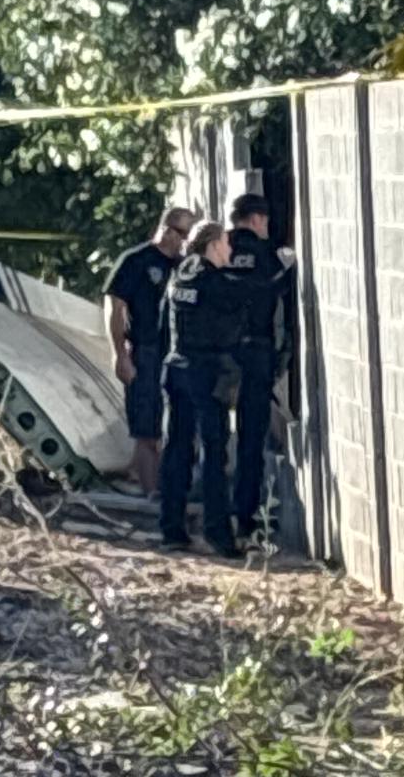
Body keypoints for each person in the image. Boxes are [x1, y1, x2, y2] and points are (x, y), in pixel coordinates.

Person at [159, 220, 249, 555]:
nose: (230, 250)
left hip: (176, 369)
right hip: (204, 374)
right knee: (214, 454)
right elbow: (232, 323)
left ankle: (171, 530)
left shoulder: (180, 274)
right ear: (212, 246)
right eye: (226, 243)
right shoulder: (214, 282)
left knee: (177, 451)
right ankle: (219, 536)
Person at [103, 206, 196, 495]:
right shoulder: (136, 260)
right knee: (147, 430)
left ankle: (167, 491)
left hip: (176, 354)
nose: (184, 240)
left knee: (175, 429)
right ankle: (151, 493)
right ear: (167, 229)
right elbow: (115, 306)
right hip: (144, 351)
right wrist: (120, 353)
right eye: (182, 233)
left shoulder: (183, 267)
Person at [223, 194, 292, 546]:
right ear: (257, 219)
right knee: (251, 439)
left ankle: (216, 518)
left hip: (218, 357)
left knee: (212, 436)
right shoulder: (265, 255)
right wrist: (290, 270)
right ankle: (245, 518)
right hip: (256, 352)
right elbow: (271, 294)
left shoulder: (216, 250)